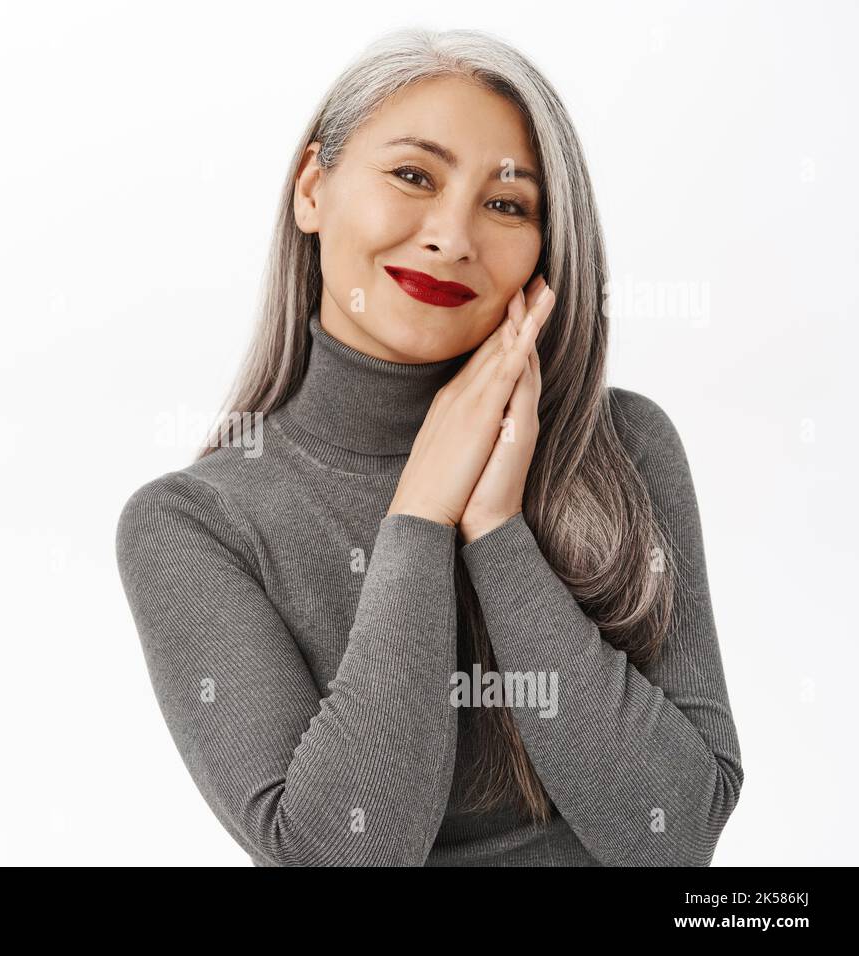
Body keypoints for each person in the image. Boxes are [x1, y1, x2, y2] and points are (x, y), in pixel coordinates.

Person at [115, 27, 743, 866]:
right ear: (312, 188)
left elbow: (674, 837)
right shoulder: (195, 523)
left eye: (507, 203)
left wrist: (496, 528)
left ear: (547, 252)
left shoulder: (622, 446)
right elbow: (343, 855)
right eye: (414, 175)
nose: (452, 236)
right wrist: (420, 513)